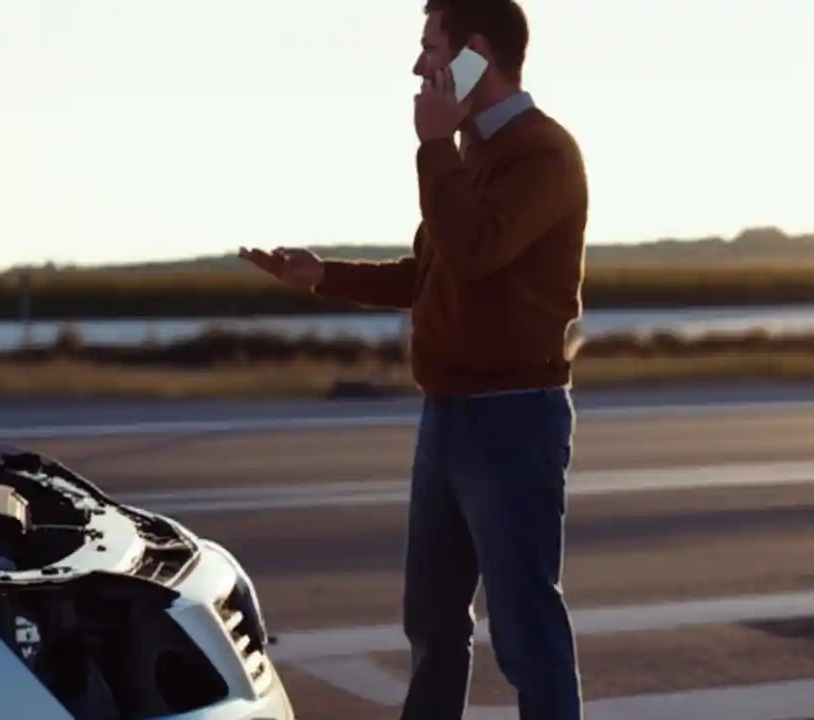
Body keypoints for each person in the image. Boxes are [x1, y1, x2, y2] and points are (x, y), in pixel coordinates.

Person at [238, 0, 588, 717]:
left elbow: (476, 252)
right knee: (431, 625)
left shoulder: (543, 154)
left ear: (476, 55)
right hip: (449, 418)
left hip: (513, 419)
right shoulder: (471, 154)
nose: (418, 65)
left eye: (432, 47)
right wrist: (323, 275)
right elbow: (432, 272)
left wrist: (432, 146)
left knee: (525, 632)